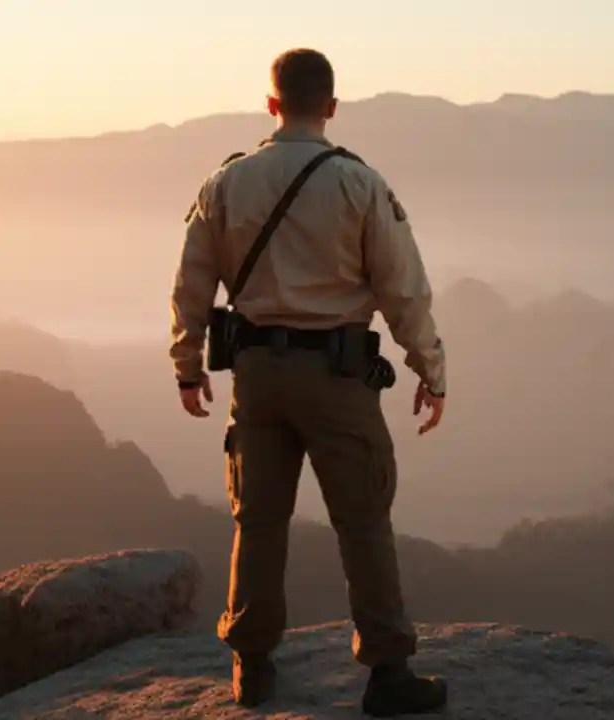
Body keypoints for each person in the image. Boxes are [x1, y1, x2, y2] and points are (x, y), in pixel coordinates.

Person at [168, 48, 448, 716]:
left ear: (271, 104)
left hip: (257, 377)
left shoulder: (225, 184)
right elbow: (402, 289)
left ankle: (252, 665)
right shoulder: (359, 183)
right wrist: (429, 369)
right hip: (338, 375)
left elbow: (191, 285)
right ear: (330, 105)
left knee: (258, 520)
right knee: (363, 522)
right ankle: (387, 675)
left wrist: (187, 364)